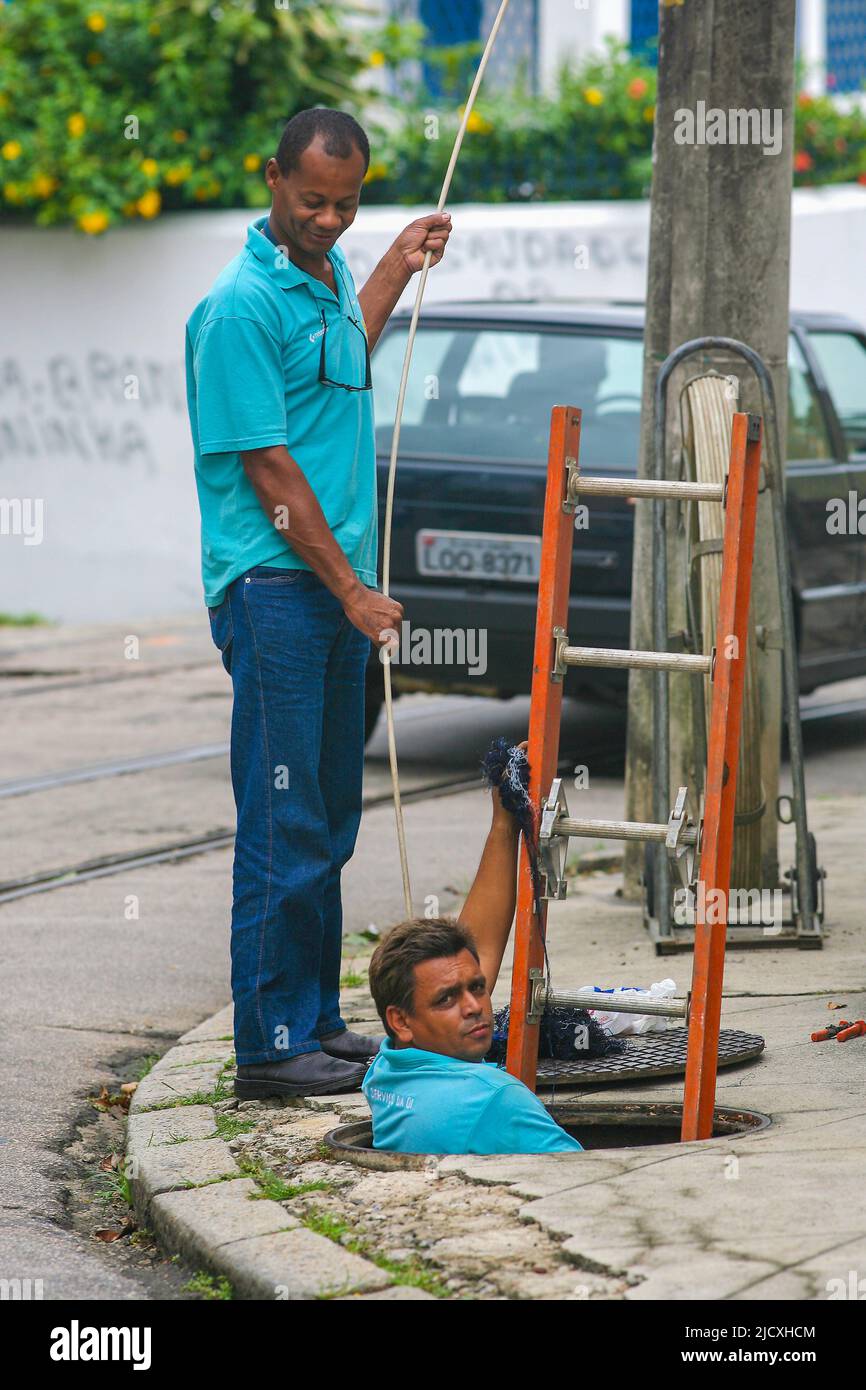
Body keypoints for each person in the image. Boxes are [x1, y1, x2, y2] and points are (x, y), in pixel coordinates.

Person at [184, 109, 452, 1099]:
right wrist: (351, 592)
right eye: (312, 202)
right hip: (278, 589)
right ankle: (268, 1047)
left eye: (345, 204)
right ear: (271, 180)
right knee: (284, 817)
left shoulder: (328, 273)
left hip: (328, 596)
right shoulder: (239, 308)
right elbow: (269, 470)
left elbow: (345, 358)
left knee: (328, 815)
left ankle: (314, 1019)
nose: (328, 220)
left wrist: (389, 264)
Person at [364, 781, 584, 1155]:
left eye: (477, 987)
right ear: (400, 1020)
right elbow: (590, 1183)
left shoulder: (386, 1071)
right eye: (446, 999)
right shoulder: (495, 1099)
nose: (475, 1007)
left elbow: (475, 947)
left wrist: (504, 822)